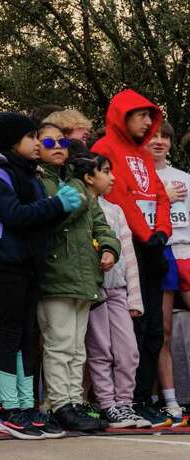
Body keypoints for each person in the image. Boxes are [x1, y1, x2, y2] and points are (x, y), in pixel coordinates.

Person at [0, 112, 77, 440]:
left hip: (30, 262)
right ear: (12, 140)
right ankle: (8, 408)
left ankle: (26, 403)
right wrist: (56, 205)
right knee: (10, 331)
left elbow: (37, 218)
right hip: (7, 261)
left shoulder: (29, 173)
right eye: (31, 137)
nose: (37, 143)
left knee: (27, 334)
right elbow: (15, 215)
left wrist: (57, 208)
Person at [92, 91, 173, 426]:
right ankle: (124, 399)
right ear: (123, 115)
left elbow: (160, 195)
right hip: (128, 245)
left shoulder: (141, 153)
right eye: (141, 116)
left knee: (154, 326)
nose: (147, 123)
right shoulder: (104, 148)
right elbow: (119, 197)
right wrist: (146, 236)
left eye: (150, 116)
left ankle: (142, 397)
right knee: (133, 325)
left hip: (154, 244)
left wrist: (162, 232)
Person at [34, 128, 119, 433]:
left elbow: (101, 224)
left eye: (62, 142)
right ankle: (58, 405)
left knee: (76, 347)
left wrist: (109, 248)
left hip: (83, 278)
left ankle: (74, 401)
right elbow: (48, 221)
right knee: (59, 344)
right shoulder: (38, 182)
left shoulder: (76, 184)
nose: (57, 147)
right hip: (54, 275)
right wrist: (75, 198)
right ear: (36, 146)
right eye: (49, 142)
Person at [76, 152, 148, 428]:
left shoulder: (115, 211)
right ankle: (107, 404)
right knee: (100, 349)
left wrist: (135, 298)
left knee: (129, 350)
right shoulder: (78, 208)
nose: (113, 178)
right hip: (93, 292)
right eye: (106, 171)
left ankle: (125, 402)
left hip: (117, 290)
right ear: (88, 178)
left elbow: (128, 255)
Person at [145, 120, 190, 425]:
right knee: (161, 330)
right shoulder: (134, 177)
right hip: (159, 253)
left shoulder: (183, 178)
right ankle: (169, 400)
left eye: (165, 137)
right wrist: (162, 196)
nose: (159, 141)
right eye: (153, 136)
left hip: (186, 253)